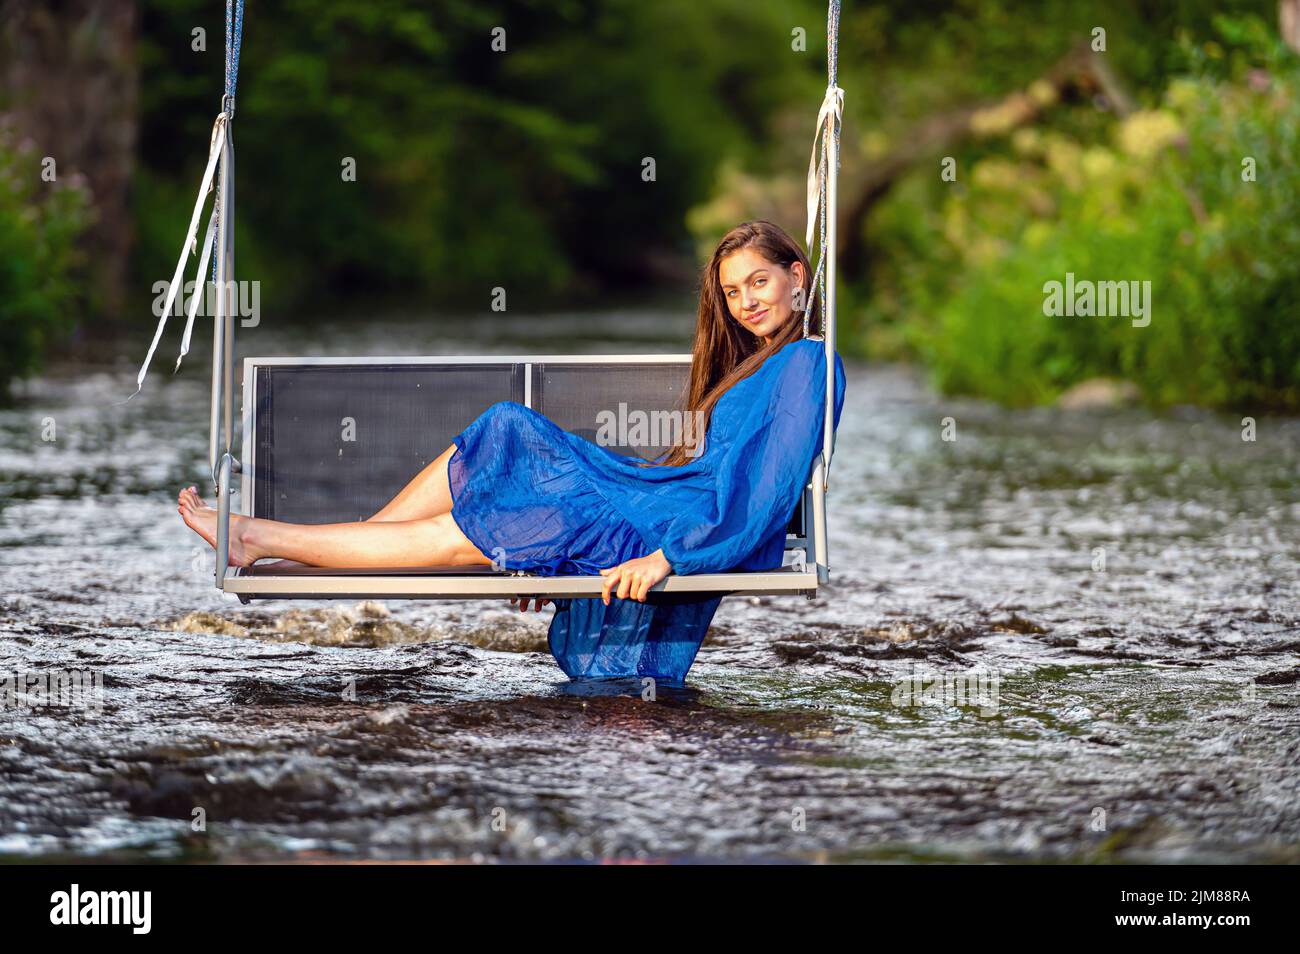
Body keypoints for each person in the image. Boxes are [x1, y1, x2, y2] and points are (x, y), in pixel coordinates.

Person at [179, 220, 846, 682]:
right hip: (661, 504)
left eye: (758, 283)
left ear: (797, 276)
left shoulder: (808, 363)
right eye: (732, 292)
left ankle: (262, 537)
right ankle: (347, 545)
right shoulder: (767, 362)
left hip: (678, 526)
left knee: (461, 531)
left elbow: (763, 491)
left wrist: (669, 558)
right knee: (506, 427)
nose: (744, 302)